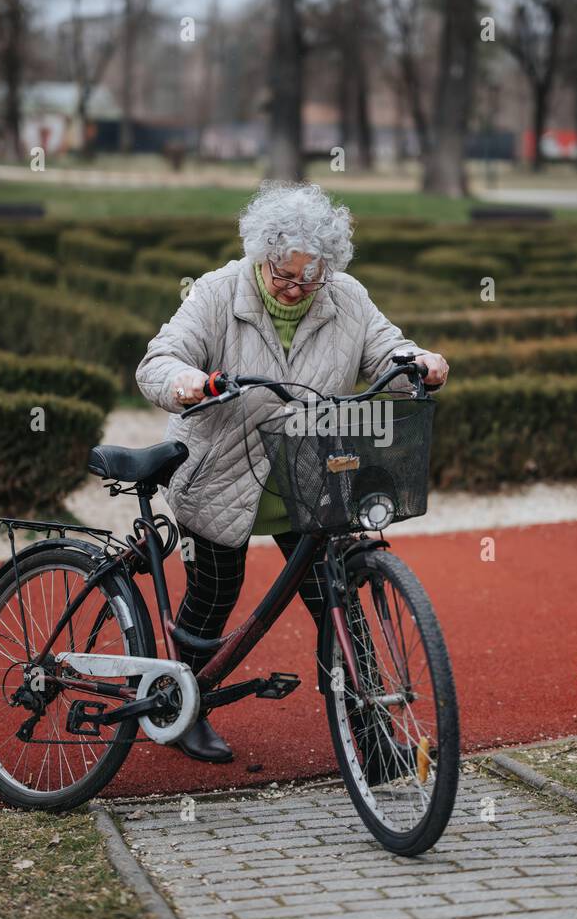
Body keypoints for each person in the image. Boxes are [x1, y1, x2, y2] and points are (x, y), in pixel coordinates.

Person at [135, 181, 449, 762]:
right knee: (215, 589)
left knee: (339, 598)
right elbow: (159, 360)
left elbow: (388, 350)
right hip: (222, 472)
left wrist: (422, 362)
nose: (298, 287)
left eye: (312, 276)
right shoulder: (217, 293)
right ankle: (182, 706)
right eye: (285, 275)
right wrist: (186, 384)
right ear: (262, 256)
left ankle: (370, 731)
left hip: (308, 475)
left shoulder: (346, 298)